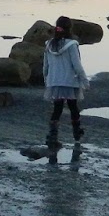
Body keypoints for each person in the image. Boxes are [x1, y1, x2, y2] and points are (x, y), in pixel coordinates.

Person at [42, 15, 88, 147]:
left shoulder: (49, 45)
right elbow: (77, 65)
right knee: (73, 107)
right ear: (70, 28)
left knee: (57, 108)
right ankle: (77, 134)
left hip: (54, 81)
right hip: (69, 81)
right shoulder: (72, 45)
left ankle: (52, 135)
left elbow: (45, 66)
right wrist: (84, 80)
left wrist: (46, 79)